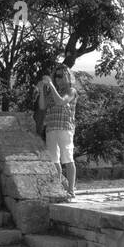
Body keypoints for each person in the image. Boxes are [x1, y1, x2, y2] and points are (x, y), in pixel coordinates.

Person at [38, 64, 78, 195]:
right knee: (54, 159)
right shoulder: (52, 91)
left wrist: (51, 86)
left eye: (60, 76)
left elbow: (61, 101)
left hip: (65, 127)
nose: (58, 79)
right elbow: (42, 106)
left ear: (68, 76)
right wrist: (42, 90)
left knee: (68, 158)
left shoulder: (71, 91)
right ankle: (59, 188)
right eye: (56, 76)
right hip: (51, 127)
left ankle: (71, 190)